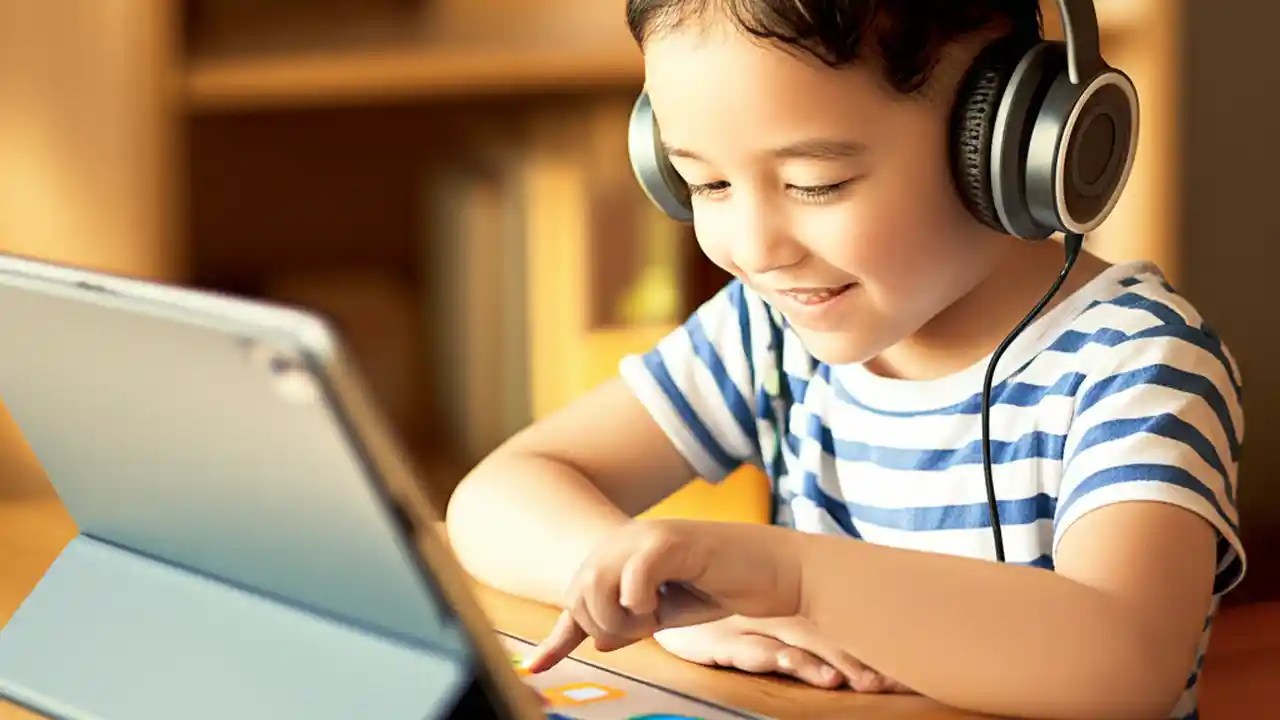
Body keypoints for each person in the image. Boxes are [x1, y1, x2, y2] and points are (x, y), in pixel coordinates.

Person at [445, 2, 1246, 717]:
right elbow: (495, 498)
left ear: (1012, 142)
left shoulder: (1136, 365)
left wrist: (794, 582)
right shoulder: (767, 332)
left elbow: (1126, 662)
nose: (752, 250)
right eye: (706, 183)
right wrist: (659, 592)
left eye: (815, 183)